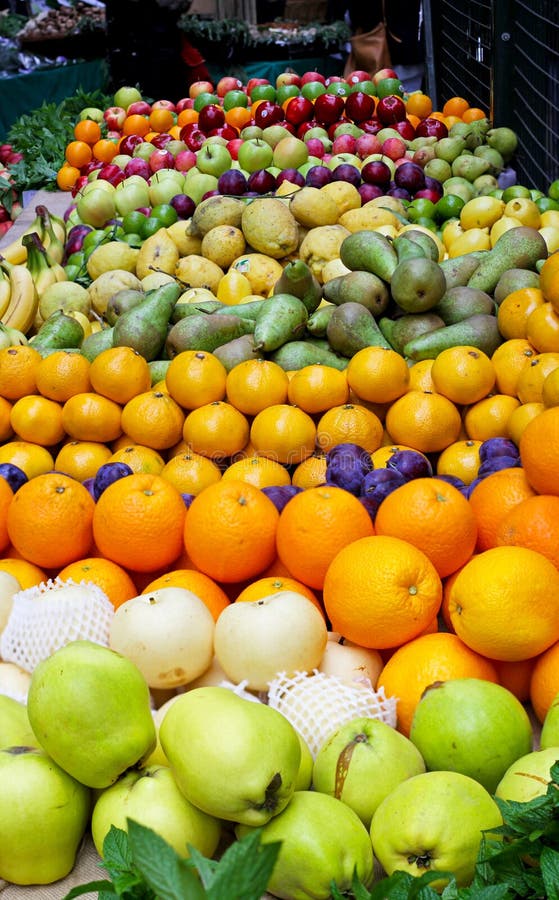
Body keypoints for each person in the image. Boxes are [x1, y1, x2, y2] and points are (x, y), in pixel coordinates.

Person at [343, 0, 425, 93]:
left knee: (372, 99)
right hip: (409, 51)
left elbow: (356, 14)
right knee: (409, 100)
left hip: (383, 50)